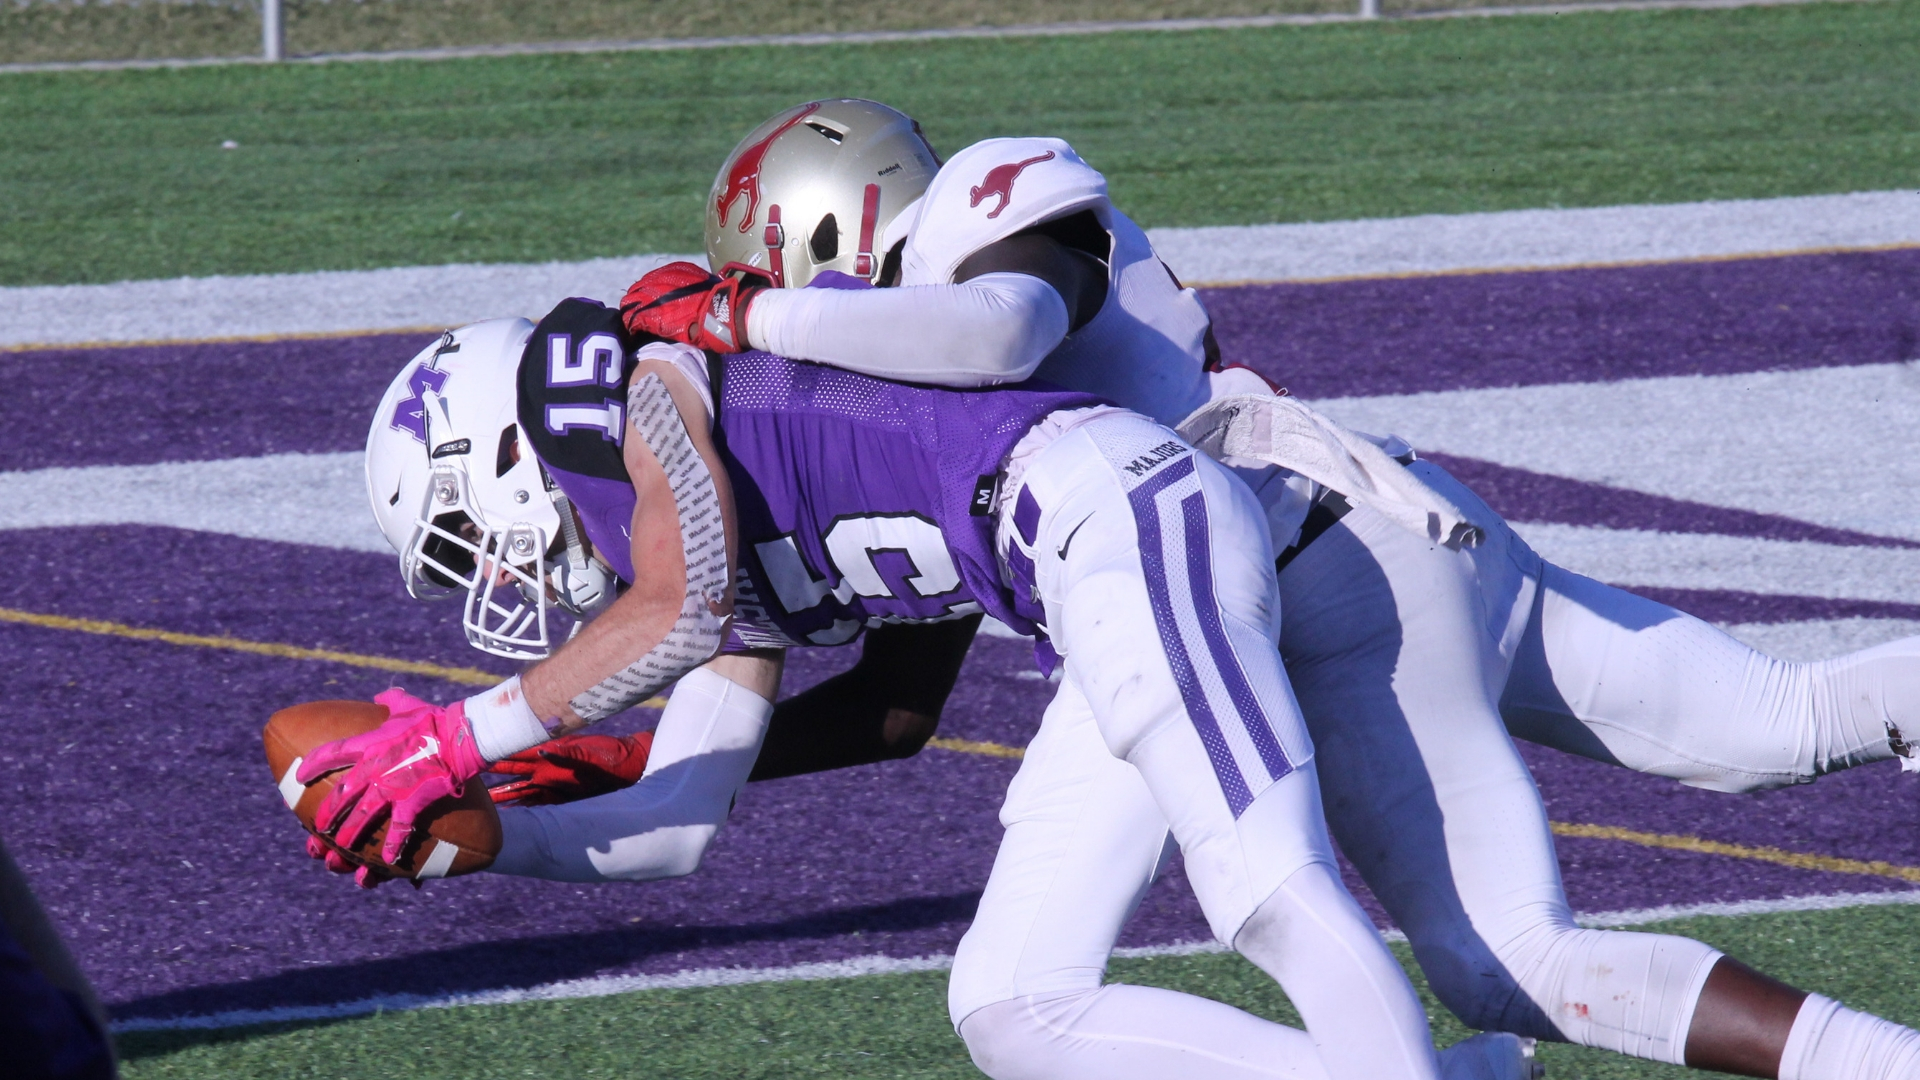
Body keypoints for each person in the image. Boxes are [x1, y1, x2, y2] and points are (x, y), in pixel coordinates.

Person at [618, 99, 1920, 1080]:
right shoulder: (911, 380)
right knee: (1778, 721)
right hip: (1371, 541)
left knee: (1507, 959)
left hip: (1334, 587)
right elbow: (898, 708)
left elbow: (998, 331)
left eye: (770, 274)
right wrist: (639, 768)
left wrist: (749, 325)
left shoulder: (980, 227)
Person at [313, 302, 1493, 1080]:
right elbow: (669, 831)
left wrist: (457, 741)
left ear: (509, 445)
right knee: (1015, 1003)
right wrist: (485, 834)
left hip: (1115, 511)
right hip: (1081, 592)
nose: (502, 575)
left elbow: (674, 607)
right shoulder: (688, 553)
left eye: (473, 536)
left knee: (1262, 889)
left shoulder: (608, 381)